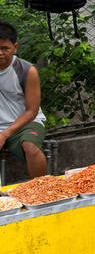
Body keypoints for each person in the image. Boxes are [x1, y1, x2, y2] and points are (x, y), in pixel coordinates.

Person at [0, 20, 48, 178]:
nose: (0, 53)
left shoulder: (27, 71)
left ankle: (42, 190)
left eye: (4, 48)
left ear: (15, 47)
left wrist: (5, 134)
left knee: (30, 147)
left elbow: (32, 111)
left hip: (24, 123)